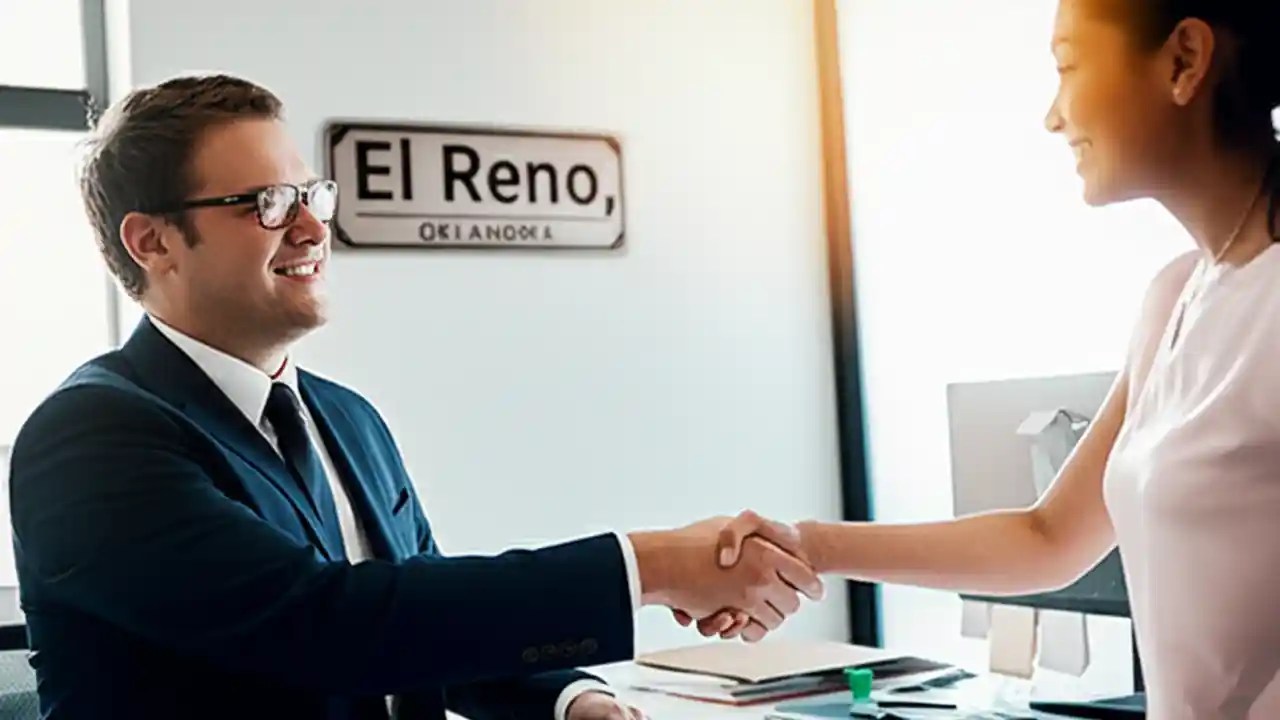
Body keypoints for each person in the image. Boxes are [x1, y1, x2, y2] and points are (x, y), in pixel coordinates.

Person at [7, 74, 822, 720]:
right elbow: (332, 630)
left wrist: (574, 700)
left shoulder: (348, 418)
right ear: (152, 242)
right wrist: (654, 565)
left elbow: (423, 615)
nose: (313, 230)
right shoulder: (90, 439)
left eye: (310, 196)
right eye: (267, 204)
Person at [707, 1, 1280, 717]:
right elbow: (1047, 538)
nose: (1054, 115)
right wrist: (811, 547)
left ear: (1184, 60)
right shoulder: (1174, 296)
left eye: (1068, 67)